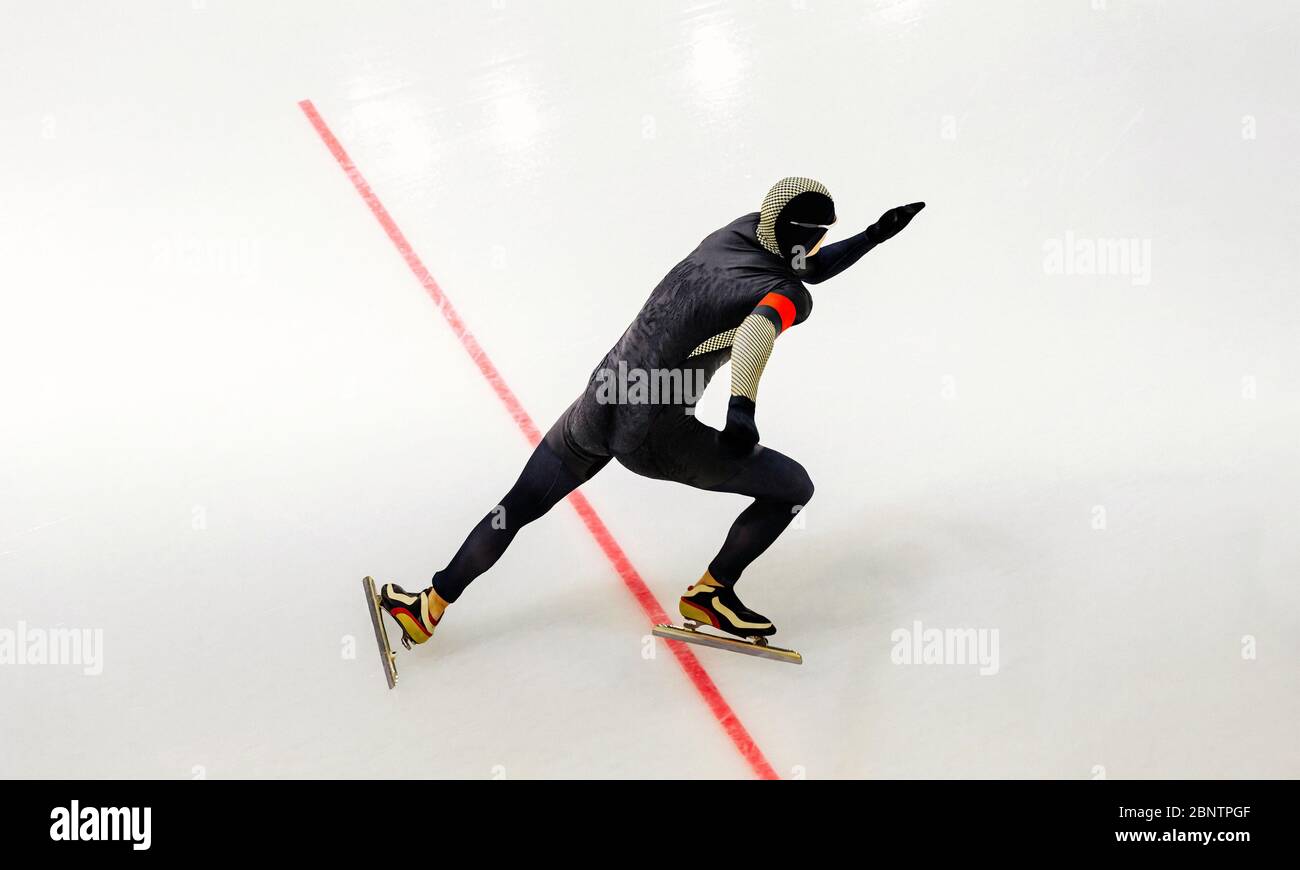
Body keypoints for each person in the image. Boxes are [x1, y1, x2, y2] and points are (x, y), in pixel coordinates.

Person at [378, 177, 924, 647]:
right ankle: (712, 595)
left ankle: (428, 604)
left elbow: (804, 260)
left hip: (600, 399)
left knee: (517, 506)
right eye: (820, 237)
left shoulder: (737, 230)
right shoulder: (784, 293)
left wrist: (872, 237)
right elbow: (760, 328)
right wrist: (741, 413)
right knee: (793, 487)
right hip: (652, 435)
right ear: (802, 239)